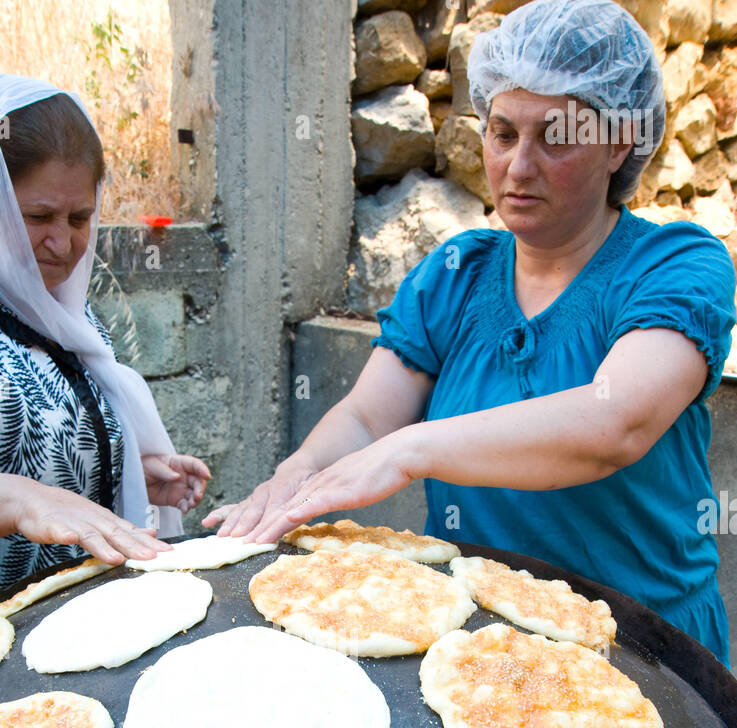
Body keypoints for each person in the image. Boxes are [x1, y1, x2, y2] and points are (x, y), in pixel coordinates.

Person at [205, 0, 737, 666]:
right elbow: (369, 418)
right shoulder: (456, 273)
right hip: (483, 638)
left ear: (619, 143)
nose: (517, 166)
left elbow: (616, 423)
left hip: (642, 647)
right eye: (501, 132)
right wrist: (294, 479)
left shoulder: (674, 265)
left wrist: (412, 450)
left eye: (555, 136)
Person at [0, 73, 210, 653]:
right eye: (39, 216)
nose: (64, 242)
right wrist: (28, 501)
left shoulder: (46, 297)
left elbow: (42, 428)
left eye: (80, 219)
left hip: (71, 631)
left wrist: (126, 467)